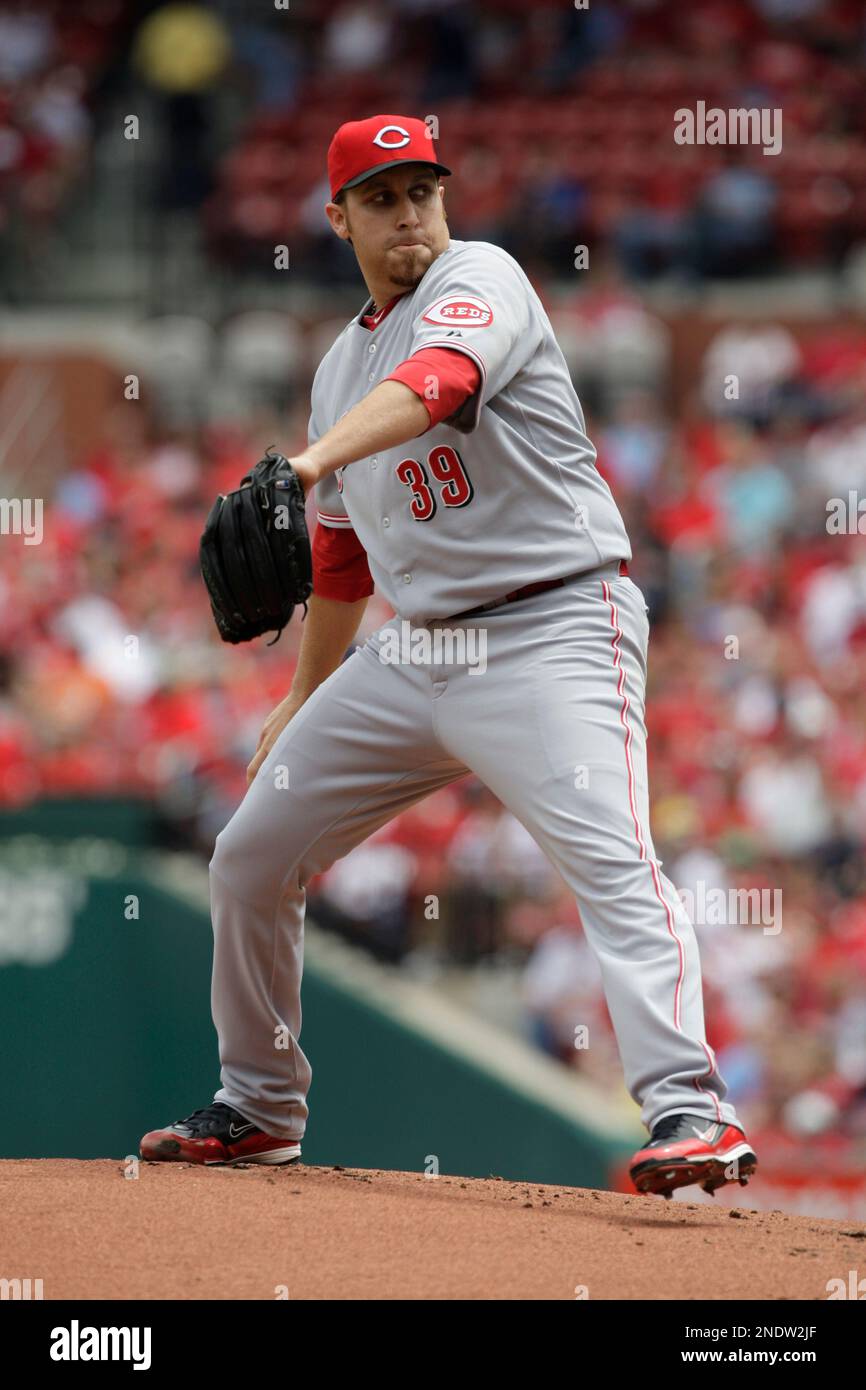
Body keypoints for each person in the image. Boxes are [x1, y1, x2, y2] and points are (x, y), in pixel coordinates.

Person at [140, 115, 758, 1199]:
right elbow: (336, 552)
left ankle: (689, 1109)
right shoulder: (337, 369)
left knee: (612, 861)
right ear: (336, 219)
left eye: (421, 192)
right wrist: (303, 691)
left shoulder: (483, 277)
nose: (409, 217)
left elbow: (435, 381)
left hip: (553, 623)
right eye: (380, 200)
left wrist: (306, 456)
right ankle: (259, 1106)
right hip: (416, 649)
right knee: (247, 856)